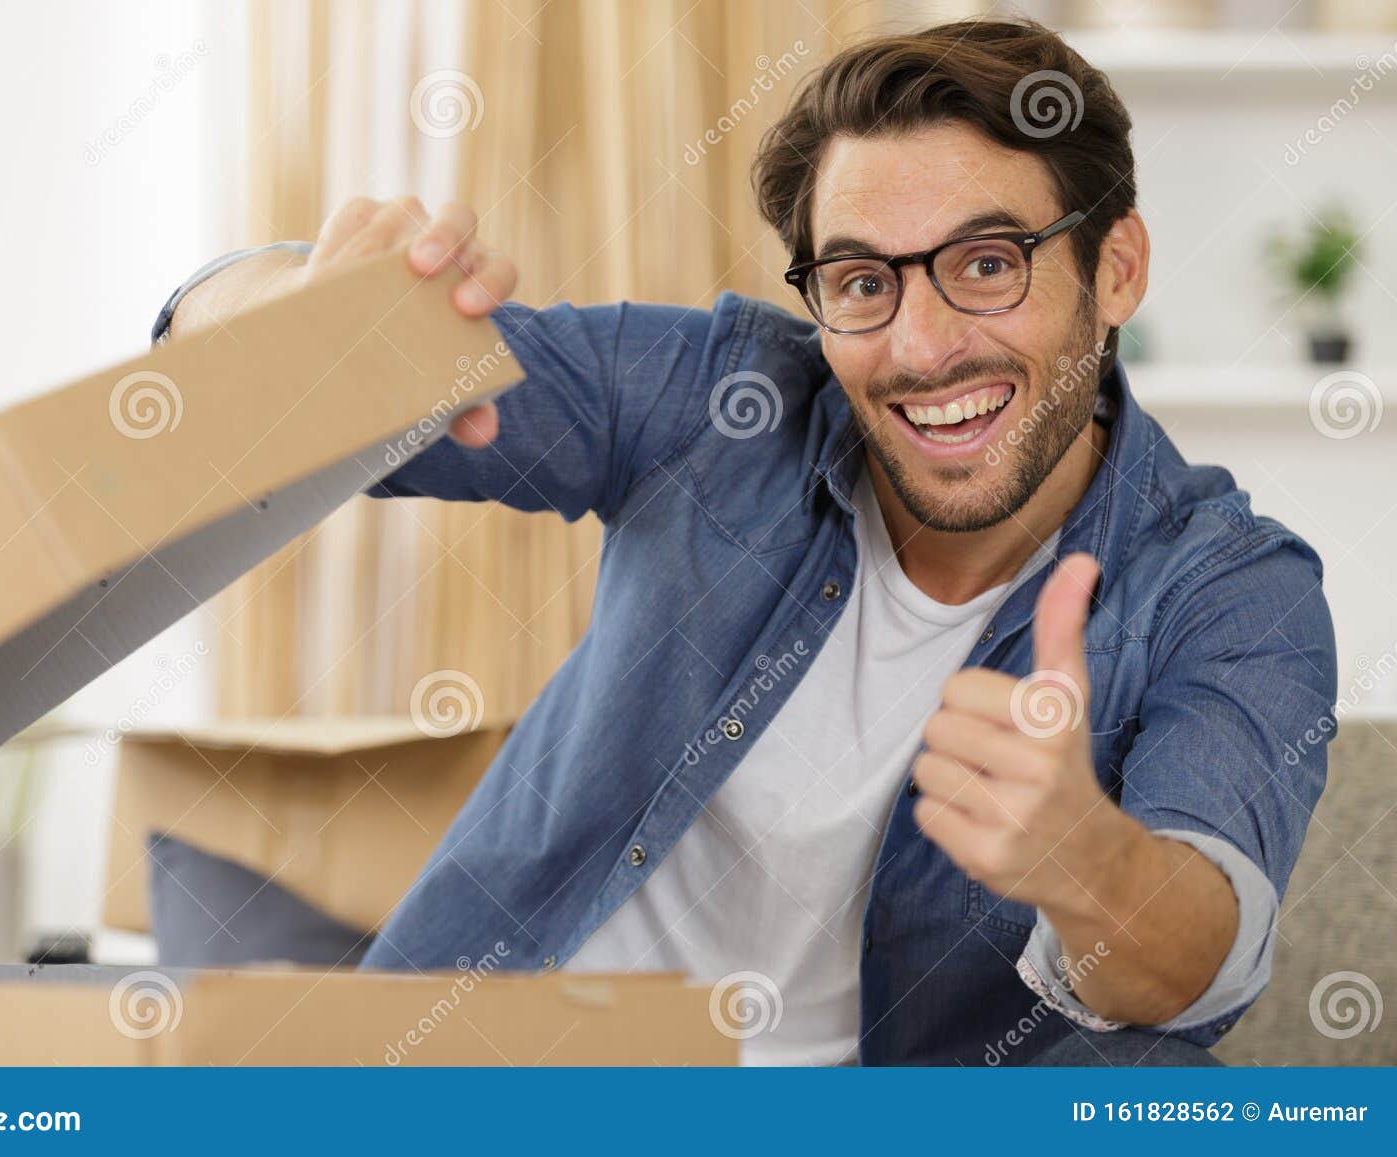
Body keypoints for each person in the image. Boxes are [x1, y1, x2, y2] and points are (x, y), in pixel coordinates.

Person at [151, 18, 1335, 1066]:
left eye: (986, 264)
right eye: (862, 281)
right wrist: (284, 314)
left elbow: (1199, 954)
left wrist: (1088, 861)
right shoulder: (718, 398)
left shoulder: (1230, 587)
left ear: (1113, 267)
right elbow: (281, 395)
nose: (921, 348)